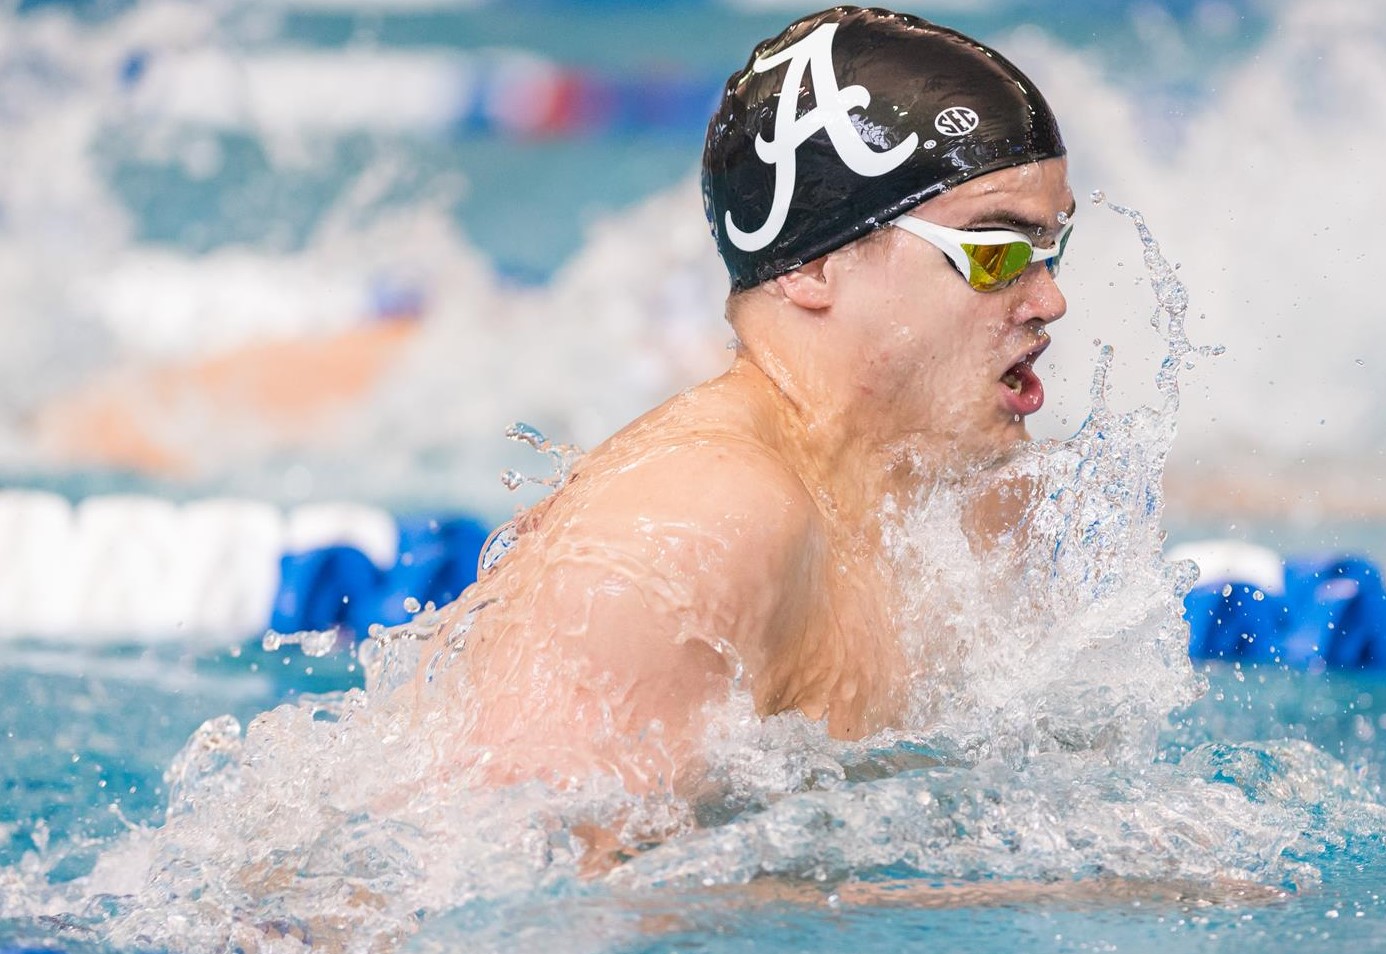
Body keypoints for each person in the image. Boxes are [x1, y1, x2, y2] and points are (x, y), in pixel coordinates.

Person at [438, 6, 1076, 795]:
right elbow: (541, 894)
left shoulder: (944, 501)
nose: (1049, 299)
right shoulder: (698, 523)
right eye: (996, 253)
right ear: (810, 266)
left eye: (1051, 249)